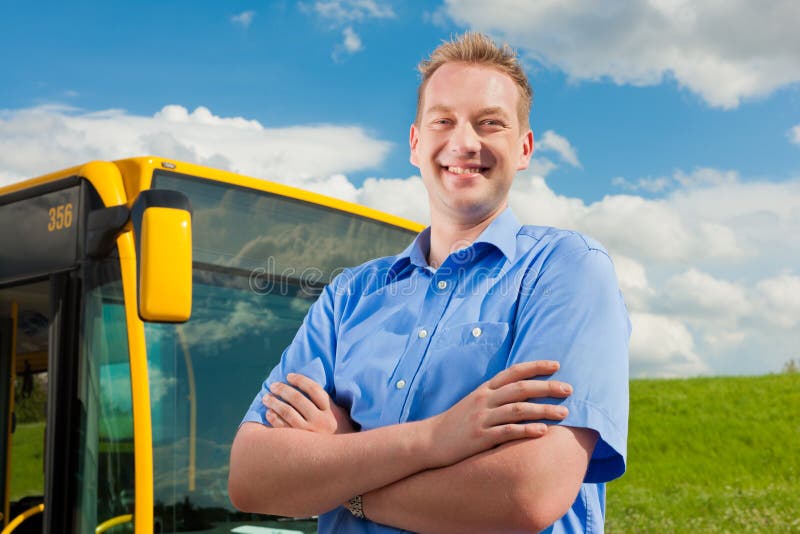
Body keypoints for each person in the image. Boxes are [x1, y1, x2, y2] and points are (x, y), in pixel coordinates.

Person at [229, 32, 630, 533]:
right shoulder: (348, 295)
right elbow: (252, 478)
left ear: (524, 148)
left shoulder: (566, 269)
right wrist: (436, 438)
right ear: (416, 144)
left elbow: (525, 494)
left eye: (490, 123)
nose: (464, 142)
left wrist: (340, 475)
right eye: (443, 121)